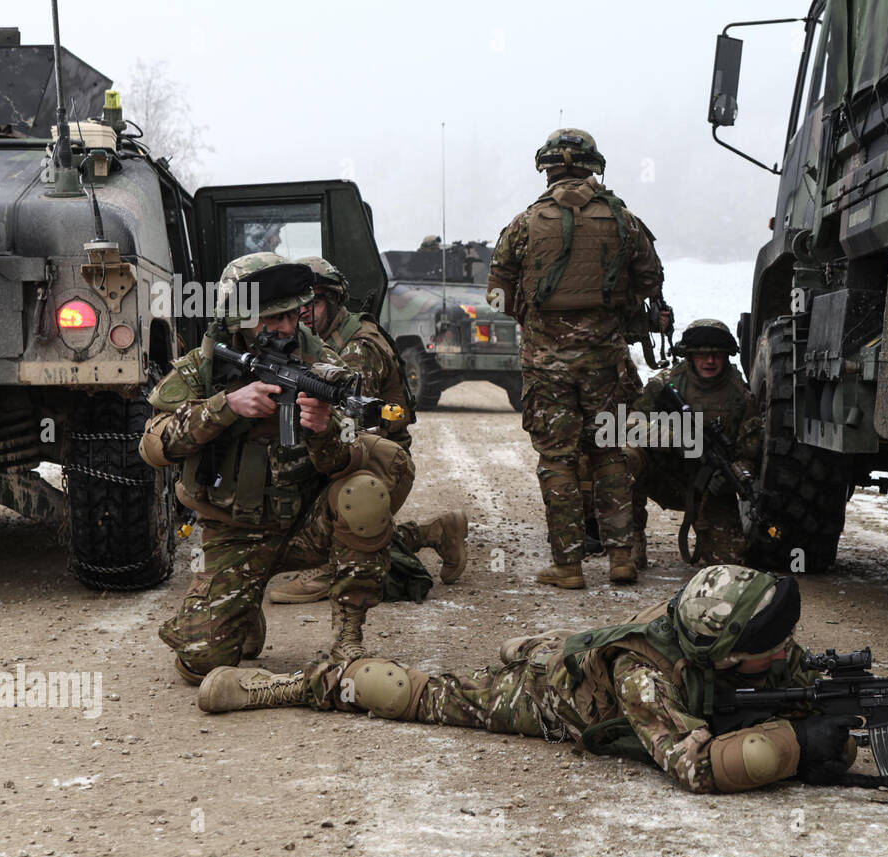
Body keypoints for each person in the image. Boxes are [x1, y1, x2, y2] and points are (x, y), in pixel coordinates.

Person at [196, 565, 860, 794]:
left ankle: (536, 645)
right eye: (766, 646)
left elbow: (778, 668)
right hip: (546, 695)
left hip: (578, 654)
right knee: (415, 696)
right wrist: (798, 745)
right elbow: (697, 769)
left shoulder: (725, 632)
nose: (783, 652)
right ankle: (290, 687)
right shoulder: (645, 678)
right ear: (724, 647)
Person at [139, 252, 414, 682]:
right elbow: (152, 447)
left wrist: (324, 429)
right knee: (200, 665)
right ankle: (242, 608)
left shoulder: (319, 361)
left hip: (305, 523)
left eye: (291, 315)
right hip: (235, 531)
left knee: (363, 493)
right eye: (271, 320)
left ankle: (347, 637)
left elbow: (345, 457)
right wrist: (224, 407)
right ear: (238, 319)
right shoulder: (205, 367)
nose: (286, 327)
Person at [487, 128, 671, 589]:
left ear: (547, 169)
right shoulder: (623, 220)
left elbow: (496, 293)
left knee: (558, 459)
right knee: (609, 453)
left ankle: (568, 566)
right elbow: (650, 281)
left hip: (546, 364)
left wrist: (533, 320)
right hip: (604, 361)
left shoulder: (524, 223)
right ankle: (621, 559)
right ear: (594, 167)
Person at [266, 257, 468, 604]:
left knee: (304, 537)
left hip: (378, 462)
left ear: (333, 302)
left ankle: (332, 564)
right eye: (298, 305)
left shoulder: (359, 348)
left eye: (313, 303)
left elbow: (349, 424)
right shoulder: (321, 339)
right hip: (355, 454)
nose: (303, 313)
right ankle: (434, 532)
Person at [628, 320, 760, 567]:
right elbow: (630, 425)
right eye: (702, 354)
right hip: (664, 477)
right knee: (626, 458)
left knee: (728, 565)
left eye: (717, 354)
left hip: (710, 489)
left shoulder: (741, 396)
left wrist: (736, 474)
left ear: (726, 356)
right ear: (689, 356)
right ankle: (630, 543)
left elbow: (749, 452)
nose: (709, 361)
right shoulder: (665, 384)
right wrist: (672, 439)